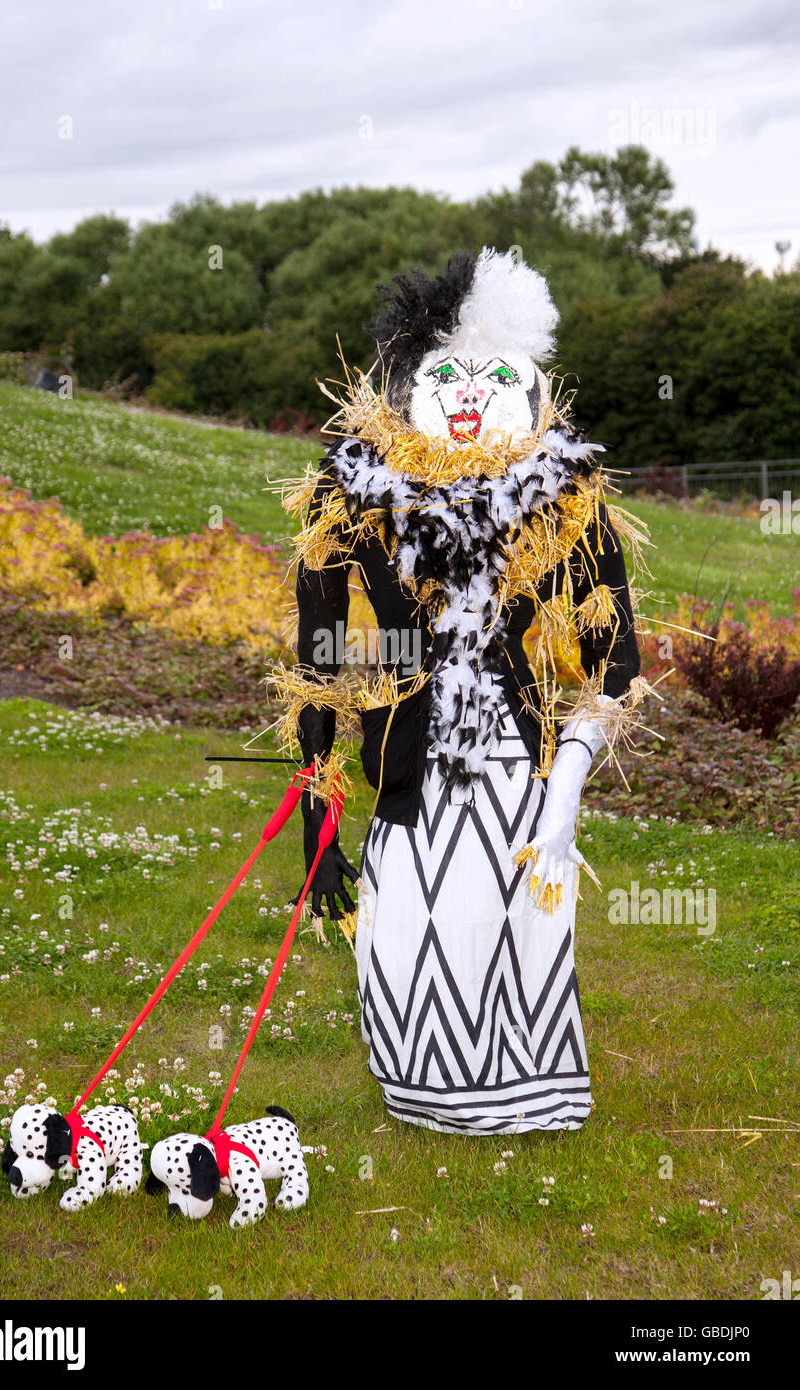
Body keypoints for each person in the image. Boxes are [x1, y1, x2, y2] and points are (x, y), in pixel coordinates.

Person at [281, 248, 646, 1135]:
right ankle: (425, 1089)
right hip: (411, 764)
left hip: (519, 768)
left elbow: (615, 662)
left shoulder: (568, 507)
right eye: (448, 375)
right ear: (409, 391)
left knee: (518, 923)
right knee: (404, 932)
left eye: (495, 379)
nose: (472, 396)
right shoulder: (356, 504)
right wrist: (318, 826)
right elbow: (322, 667)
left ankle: (525, 1094)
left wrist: (563, 795)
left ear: (529, 391)